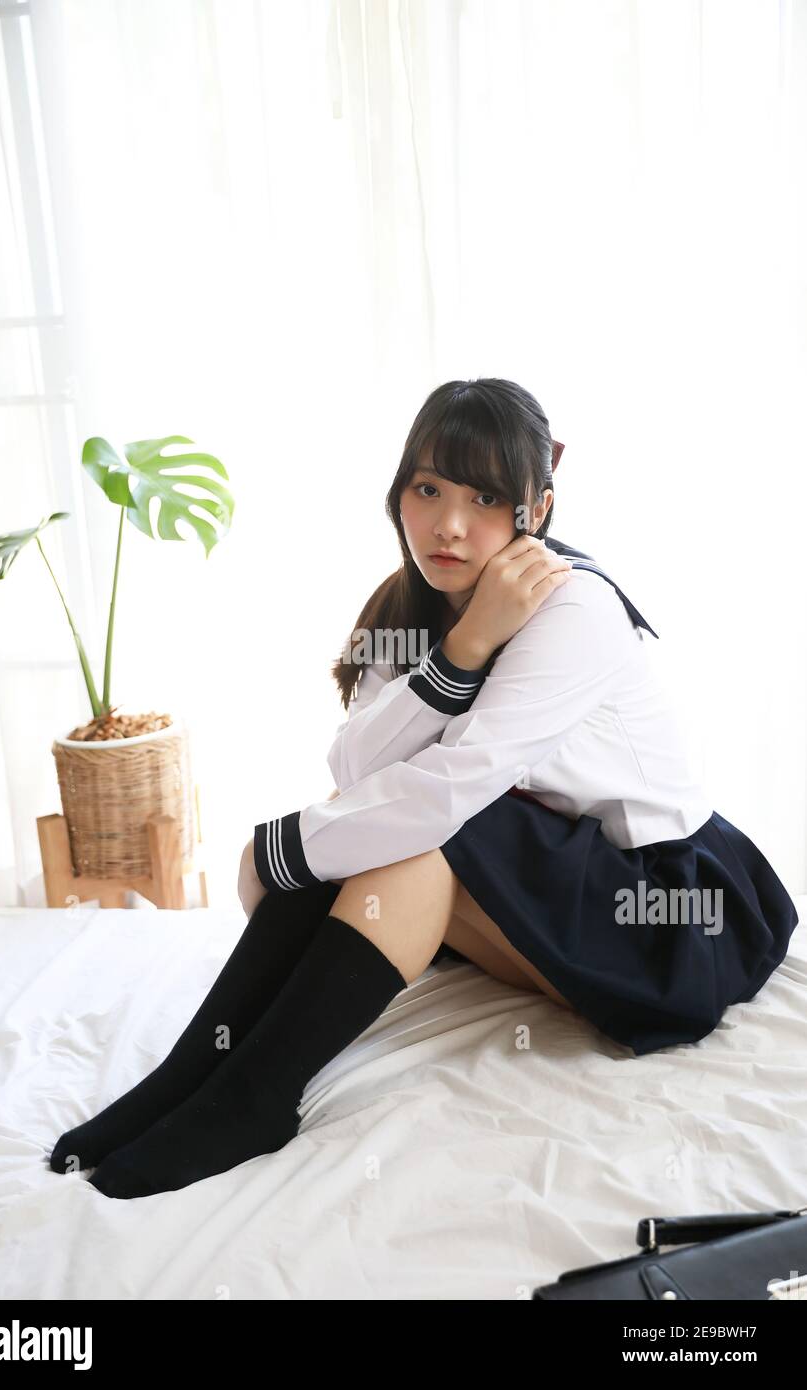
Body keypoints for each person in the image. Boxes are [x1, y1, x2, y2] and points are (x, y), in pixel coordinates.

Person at [55, 378, 798, 1198]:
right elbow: (358, 770)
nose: (449, 524)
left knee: (418, 831)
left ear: (535, 512)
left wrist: (280, 849)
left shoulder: (575, 609)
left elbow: (453, 787)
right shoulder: (411, 602)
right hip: (555, 877)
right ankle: (190, 1078)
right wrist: (464, 648)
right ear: (399, 493)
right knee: (380, 827)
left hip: (669, 913)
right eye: (428, 488)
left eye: (486, 497)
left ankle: (250, 1099)